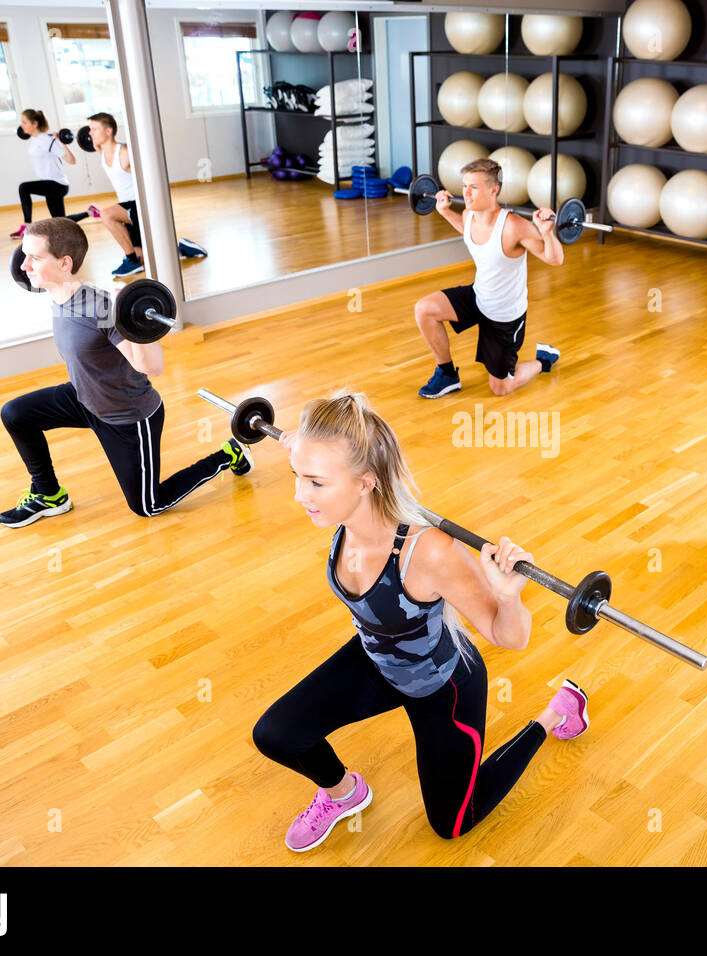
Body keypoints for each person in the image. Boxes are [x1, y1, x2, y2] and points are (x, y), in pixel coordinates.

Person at [252, 391, 590, 851]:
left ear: (365, 483)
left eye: (314, 482)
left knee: (453, 824)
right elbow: (309, 451)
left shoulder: (427, 552)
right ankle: (344, 793)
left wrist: (509, 596)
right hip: (377, 658)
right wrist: (300, 450)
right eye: (299, 476)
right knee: (276, 734)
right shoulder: (342, 499)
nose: (299, 495)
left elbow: (510, 636)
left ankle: (556, 714)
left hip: (441, 685)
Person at [0, 217, 249, 527]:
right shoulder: (56, 290)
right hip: (84, 398)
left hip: (126, 415)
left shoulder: (102, 310)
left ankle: (229, 454)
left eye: (34, 258)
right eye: (24, 255)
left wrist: (132, 320)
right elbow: (24, 275)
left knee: (148, 505)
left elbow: (153, 367)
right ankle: (49, 495)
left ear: (65, 264)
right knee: (15, 414)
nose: (24, 266)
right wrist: (32, 258)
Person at [413, 158, 564, 399]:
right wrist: (444, 212)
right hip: (479, 295)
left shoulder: (514, 226)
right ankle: (447, 374)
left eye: (474, 187)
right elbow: (468, 233)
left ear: (494, 190)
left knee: (500, 388)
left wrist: (547, 233)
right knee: (425, 310)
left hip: (504, 316)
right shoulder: (468, 215)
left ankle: (543, 360)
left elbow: (554, 258)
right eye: (464, 186)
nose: (466, 193)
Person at [82, 113, 208, 279]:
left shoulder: (125, 153)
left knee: (106, 215)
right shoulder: (102, 150)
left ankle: (131, 261)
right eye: (90, 129)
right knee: (145, 257)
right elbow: (87, 142)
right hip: (128, 208)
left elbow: (150, 174)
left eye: (94, 129)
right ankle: (181, 248)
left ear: (108, 131)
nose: (90, 133)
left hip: (140, 205)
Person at [10, 109, 77, 240]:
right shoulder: (35, 139)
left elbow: (72, 160)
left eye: (24, 122)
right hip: (49, 185)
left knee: (24, 187)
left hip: (57, 183)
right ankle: (90, 212)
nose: (21, 126)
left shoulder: (48, 140)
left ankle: (27, 226)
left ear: (34, 124)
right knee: (60, 223)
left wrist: (62, 142)